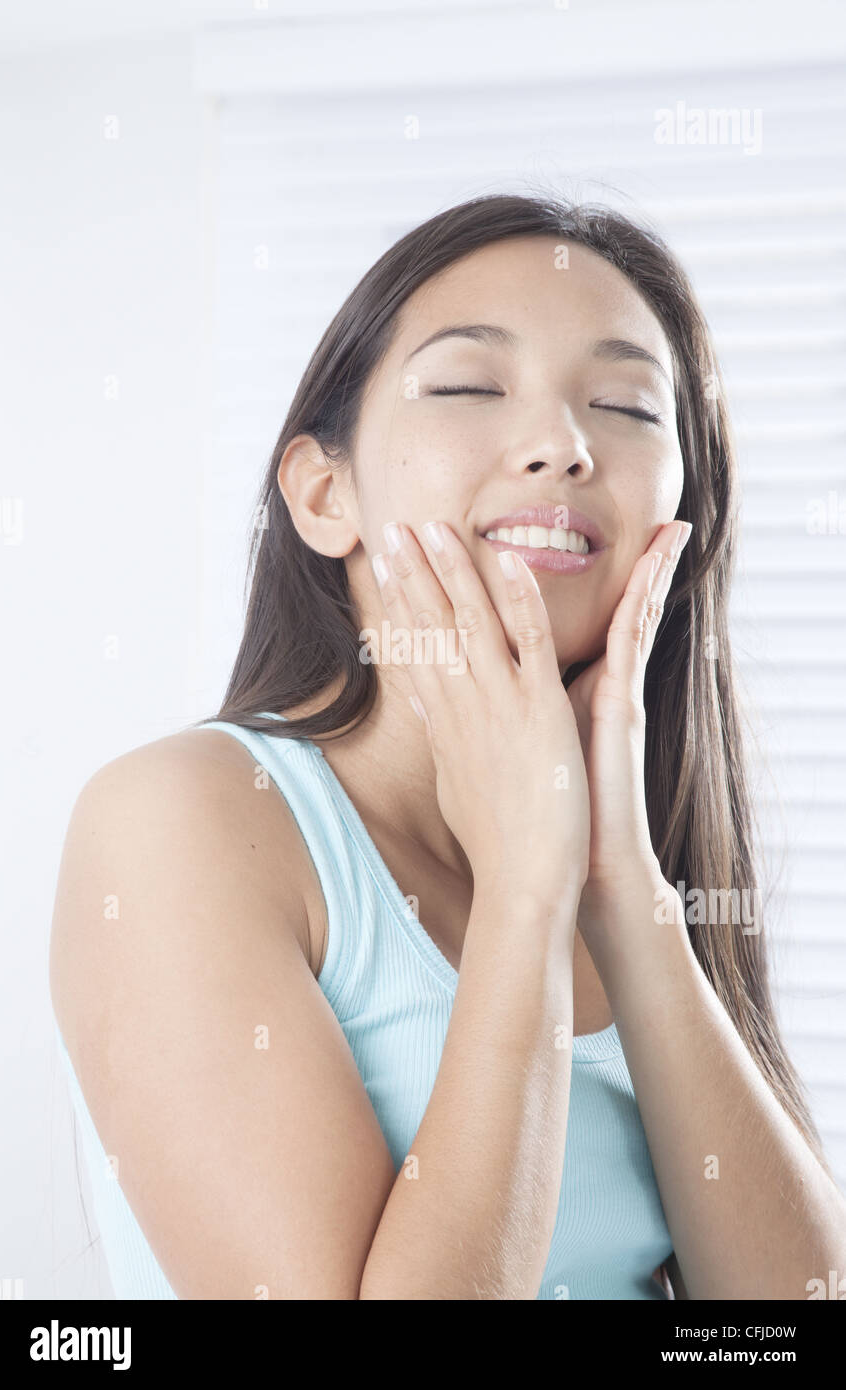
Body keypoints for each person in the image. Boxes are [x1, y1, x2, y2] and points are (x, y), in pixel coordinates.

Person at [49, 193, 846, 1300]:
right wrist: (526, 886)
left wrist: (618, 890)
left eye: (624, 405)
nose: (562, 447)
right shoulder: (177, 821)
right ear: (326, 494)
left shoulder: (630, 868)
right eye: (470, 385)